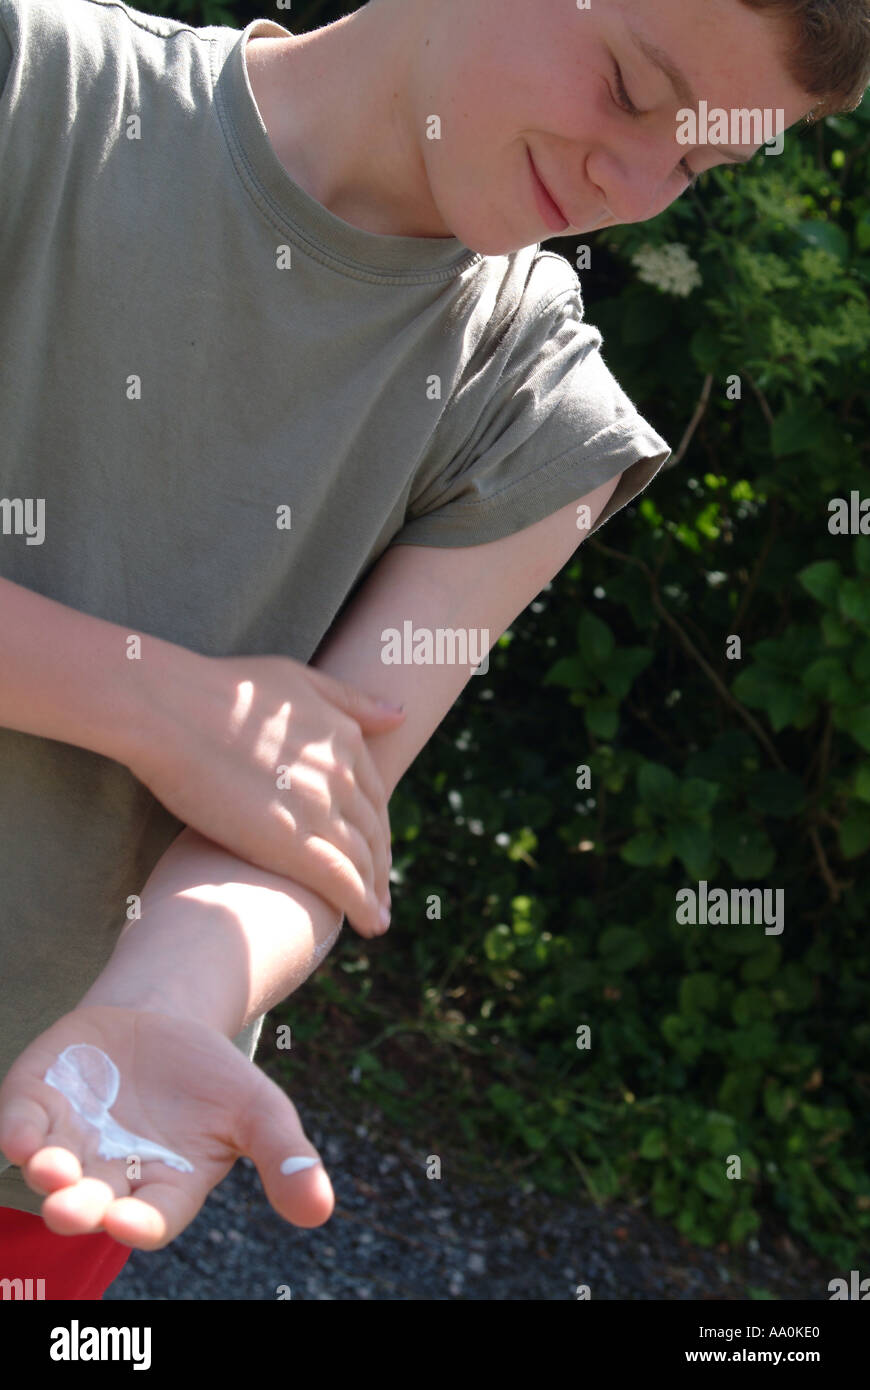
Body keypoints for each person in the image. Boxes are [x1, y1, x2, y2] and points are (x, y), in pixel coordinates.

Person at [0, 0, 865, 1301]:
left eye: (697, 166)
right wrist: (152, 702)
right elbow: (237, 749)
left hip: (60, 1145)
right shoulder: (34, 95)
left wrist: (168, 1009)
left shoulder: (537, 413)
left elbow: (307, 808)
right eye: (631, 88)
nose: (625, 184)